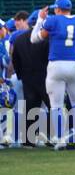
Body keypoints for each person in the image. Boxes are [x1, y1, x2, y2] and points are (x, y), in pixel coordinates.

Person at [29, 0, 75, 149]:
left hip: (56, 65)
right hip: (74, 65)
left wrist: (39, 19)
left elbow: (34, 39)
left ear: (58, 9)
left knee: (56, 105)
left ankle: (60, 139)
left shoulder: (53, 21)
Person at [7, 12, 49, 146]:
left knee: (30, 109)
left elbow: (15, 60)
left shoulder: (19, 39)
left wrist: (21, 75)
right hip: (44, 77)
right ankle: (54, 136)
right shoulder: (46, 38)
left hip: (27, 78)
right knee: (52, 107)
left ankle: (28, 140)